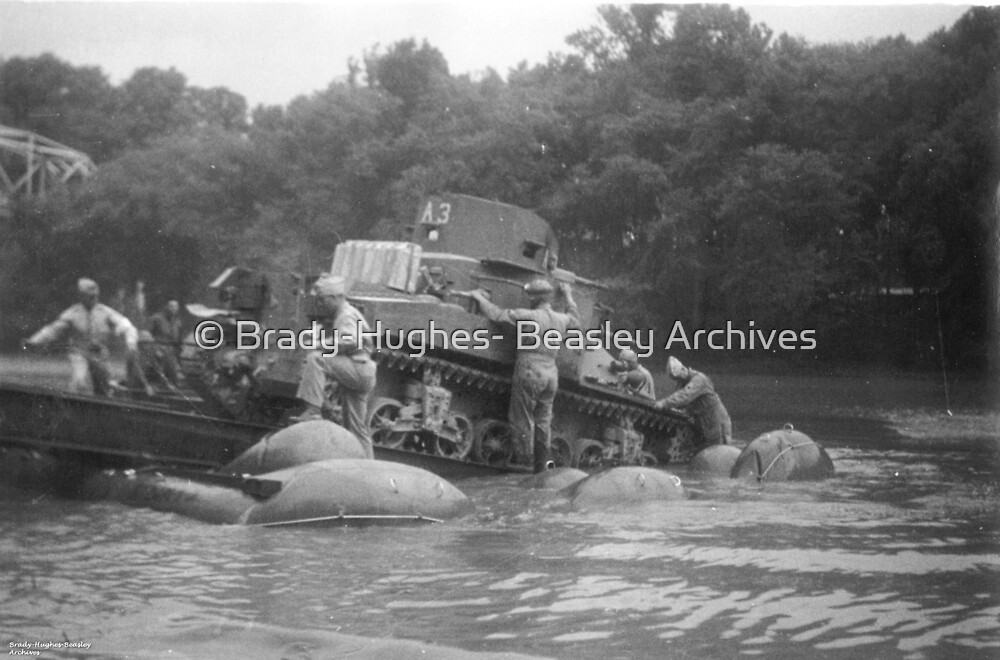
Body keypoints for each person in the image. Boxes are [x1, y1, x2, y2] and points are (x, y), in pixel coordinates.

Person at [469, 279, 579, 473]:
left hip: (530, 368)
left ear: (533, 299)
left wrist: (478, 297)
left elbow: (496, 314)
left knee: (522, 418)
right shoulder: (562, 319)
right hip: (551, 372)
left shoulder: (527, 315)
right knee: (543, 422)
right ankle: (540, 468)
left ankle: (522, 463)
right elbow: (575, 319)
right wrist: (569, 295)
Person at [293, 275, 377, 458]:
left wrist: (319, 344)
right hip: (363, 371)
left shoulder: (345, 315)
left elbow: (349, 340)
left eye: (323, 299)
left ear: (336, 297)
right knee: (357, 428)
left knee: (316, 359)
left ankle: (313, 411)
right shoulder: (346, 313)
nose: (321, 304)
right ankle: (369, 467)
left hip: (358, 368)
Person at [24, 277, 139, 396]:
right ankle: (76, 406)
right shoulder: (73, 313)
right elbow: (53, 330)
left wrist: (131, 343)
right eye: (90, 296)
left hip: (99, 353)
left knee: (106, 387)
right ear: (82, 296)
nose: (93, 299)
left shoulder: (105, 312)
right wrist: (34, 341)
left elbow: (126, 326)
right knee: (80, 380)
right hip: (79, 353)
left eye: (95, 296)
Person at [654, 356, 732, 445]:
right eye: (675, 379)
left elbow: (685, 395)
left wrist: (665, 403)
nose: (678, 381)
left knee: (719, 450)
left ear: (683, 369)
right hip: (703, 420)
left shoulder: (699, 379)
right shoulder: (683, 383)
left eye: (678, 378)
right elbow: (682, 401)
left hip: (716, 419)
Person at [148, 300, 185, 387]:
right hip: (159, 349)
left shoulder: (177, 322)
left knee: (175, 374)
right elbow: (148, 335)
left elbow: (179, 339)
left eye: (176, 307)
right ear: (167, 307)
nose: (173, 309)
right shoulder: (156, 318)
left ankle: (174, 388)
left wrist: (179, 349)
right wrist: (154, 349)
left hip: (171, 351)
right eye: (171, 306)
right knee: (161, 369)